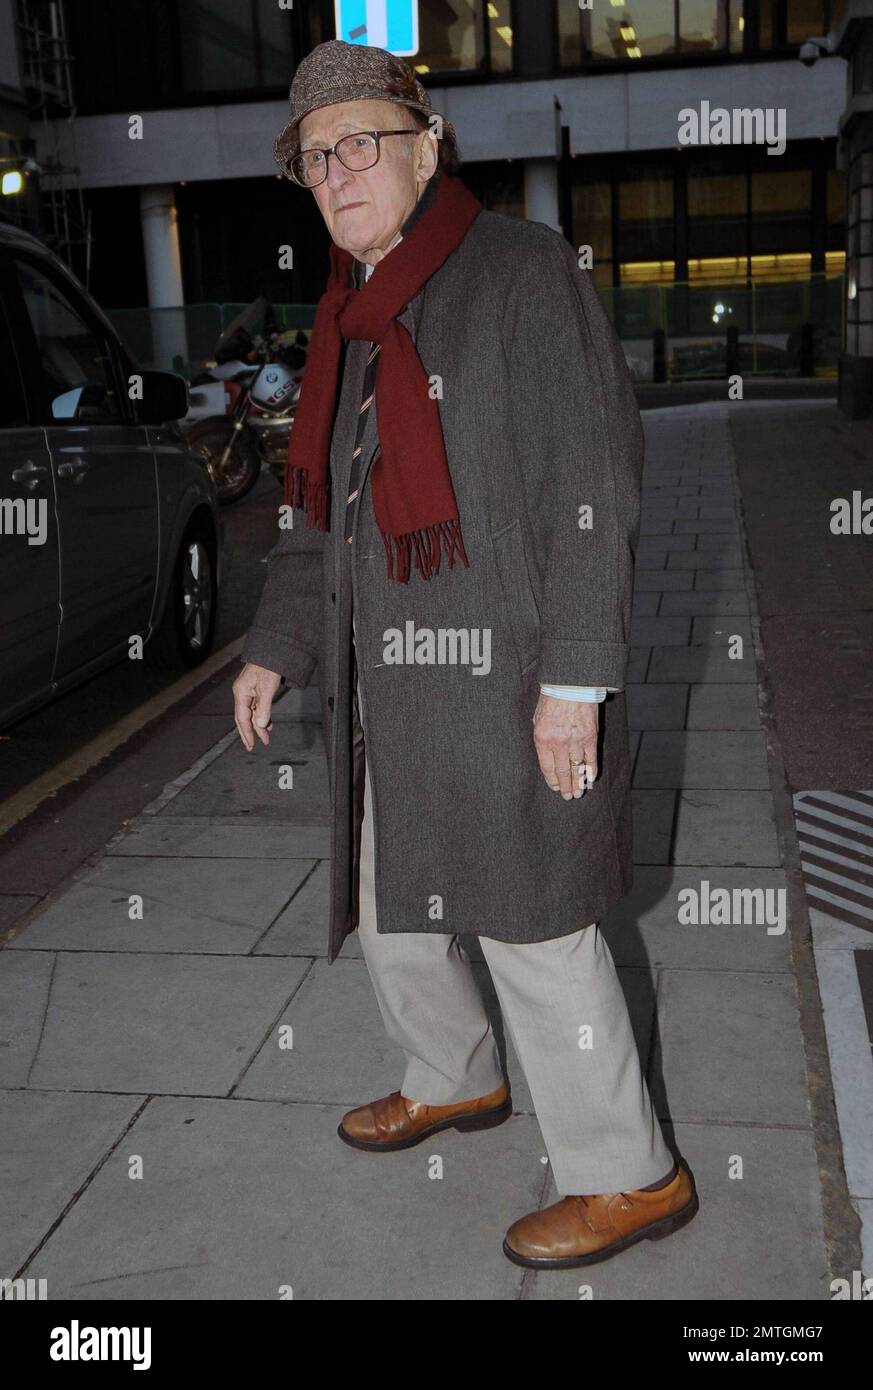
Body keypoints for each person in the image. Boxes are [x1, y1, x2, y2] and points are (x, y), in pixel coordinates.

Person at [233, 38, 698, 1270]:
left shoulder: (521, 275)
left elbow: (595, 483)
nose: (337, 172)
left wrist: (575, 684)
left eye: (360, 143)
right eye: (315, 157)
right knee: (397, 909)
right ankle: (455, 1074)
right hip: (393, 689)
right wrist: (279, 647)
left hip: (508, 676)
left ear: (426, 147)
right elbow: (314, 518)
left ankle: (628, 1171)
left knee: (537, 926)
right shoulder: (347, 317)